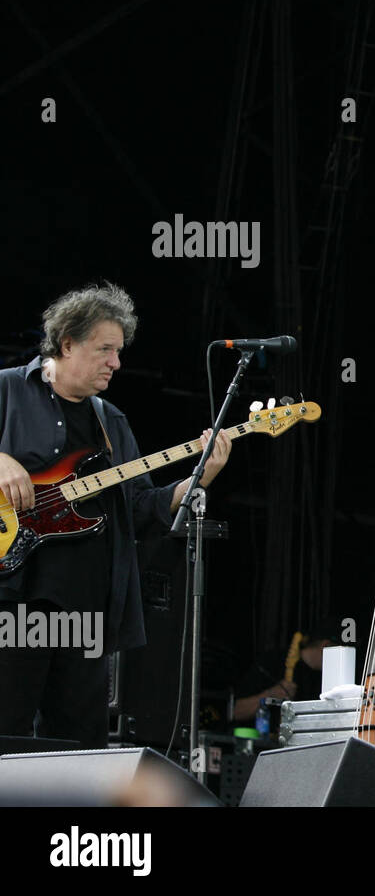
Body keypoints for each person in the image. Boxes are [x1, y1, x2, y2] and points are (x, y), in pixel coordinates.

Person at [0, 283, 232, 748]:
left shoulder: (112, 422)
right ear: (67, 344)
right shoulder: (6, 389)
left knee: (79, 746)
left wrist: (197, 481)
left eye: (119, 351)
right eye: (104, 349)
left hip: (86, 608)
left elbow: (140, 507)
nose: (116, 362)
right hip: (15, 600)